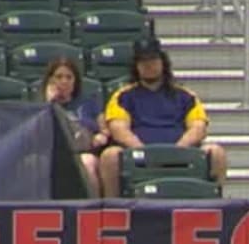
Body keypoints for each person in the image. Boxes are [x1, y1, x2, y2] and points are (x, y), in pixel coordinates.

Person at [99, 38, 227, 196]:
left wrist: (177, 151)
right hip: (139, 157)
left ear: (162, 62)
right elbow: (118, 129)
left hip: (181, 154)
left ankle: (216, 205)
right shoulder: (123, 96)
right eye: (143, 61)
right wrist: (145, 152)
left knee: (216, 152)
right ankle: (114, 210)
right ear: (136, 66)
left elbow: (198, 127)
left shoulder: (185, 95)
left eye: (153, 59)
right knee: (110, 155)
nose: (148, 65)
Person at [43, 56, 107, 198]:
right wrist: (50, 103)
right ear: (50, 80)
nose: (64, 81)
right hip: (53, 154)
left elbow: (104, 130)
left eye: (69, 77)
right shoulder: (42, 107)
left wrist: (101, 136)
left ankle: (92, 210)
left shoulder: (88, 102)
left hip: (83, 151)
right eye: (59, 77)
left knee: (87, 163)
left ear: (75, 81)